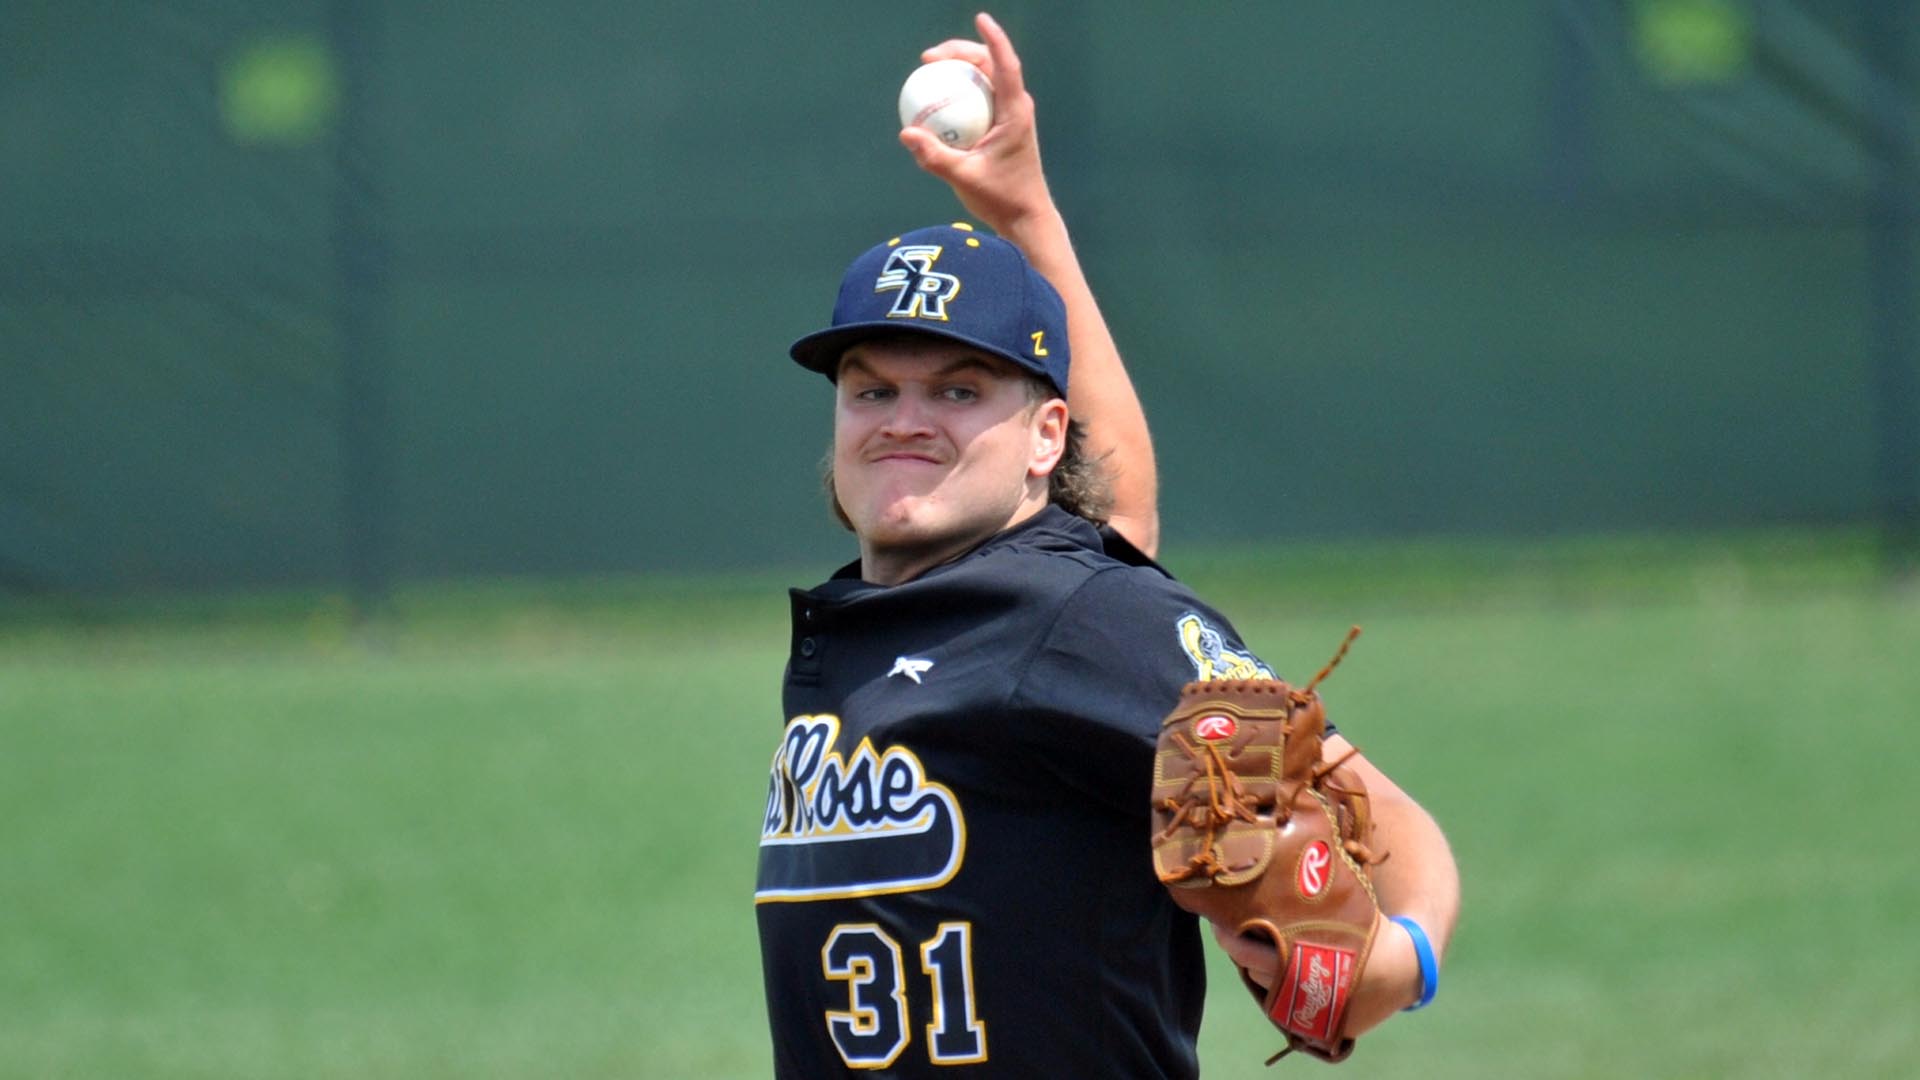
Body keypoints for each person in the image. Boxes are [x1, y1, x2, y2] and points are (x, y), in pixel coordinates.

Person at [755, 14, 1459, 1076]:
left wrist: (1399, 957)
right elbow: (1115, 513)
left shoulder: (1081, 621)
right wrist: (1024, 210)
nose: (903, 419)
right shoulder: (910, 610)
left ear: (1046, 437)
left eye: (956, 390)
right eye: (871, 389)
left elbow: (1391, 820)